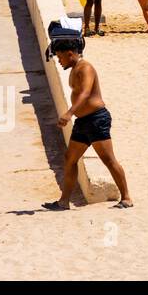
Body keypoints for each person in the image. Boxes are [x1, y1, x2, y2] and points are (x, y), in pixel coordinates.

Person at [42, 41, 132, 210]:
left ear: (70, 53)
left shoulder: (85, 68)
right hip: (83, 122)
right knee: (70, 158)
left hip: (97, 119)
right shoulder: (73, 68)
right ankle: (63, 202)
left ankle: (126, 197)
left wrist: (69, 113)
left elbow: (85, 93)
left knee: (108, 159)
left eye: (60, 57)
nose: (59, 61)